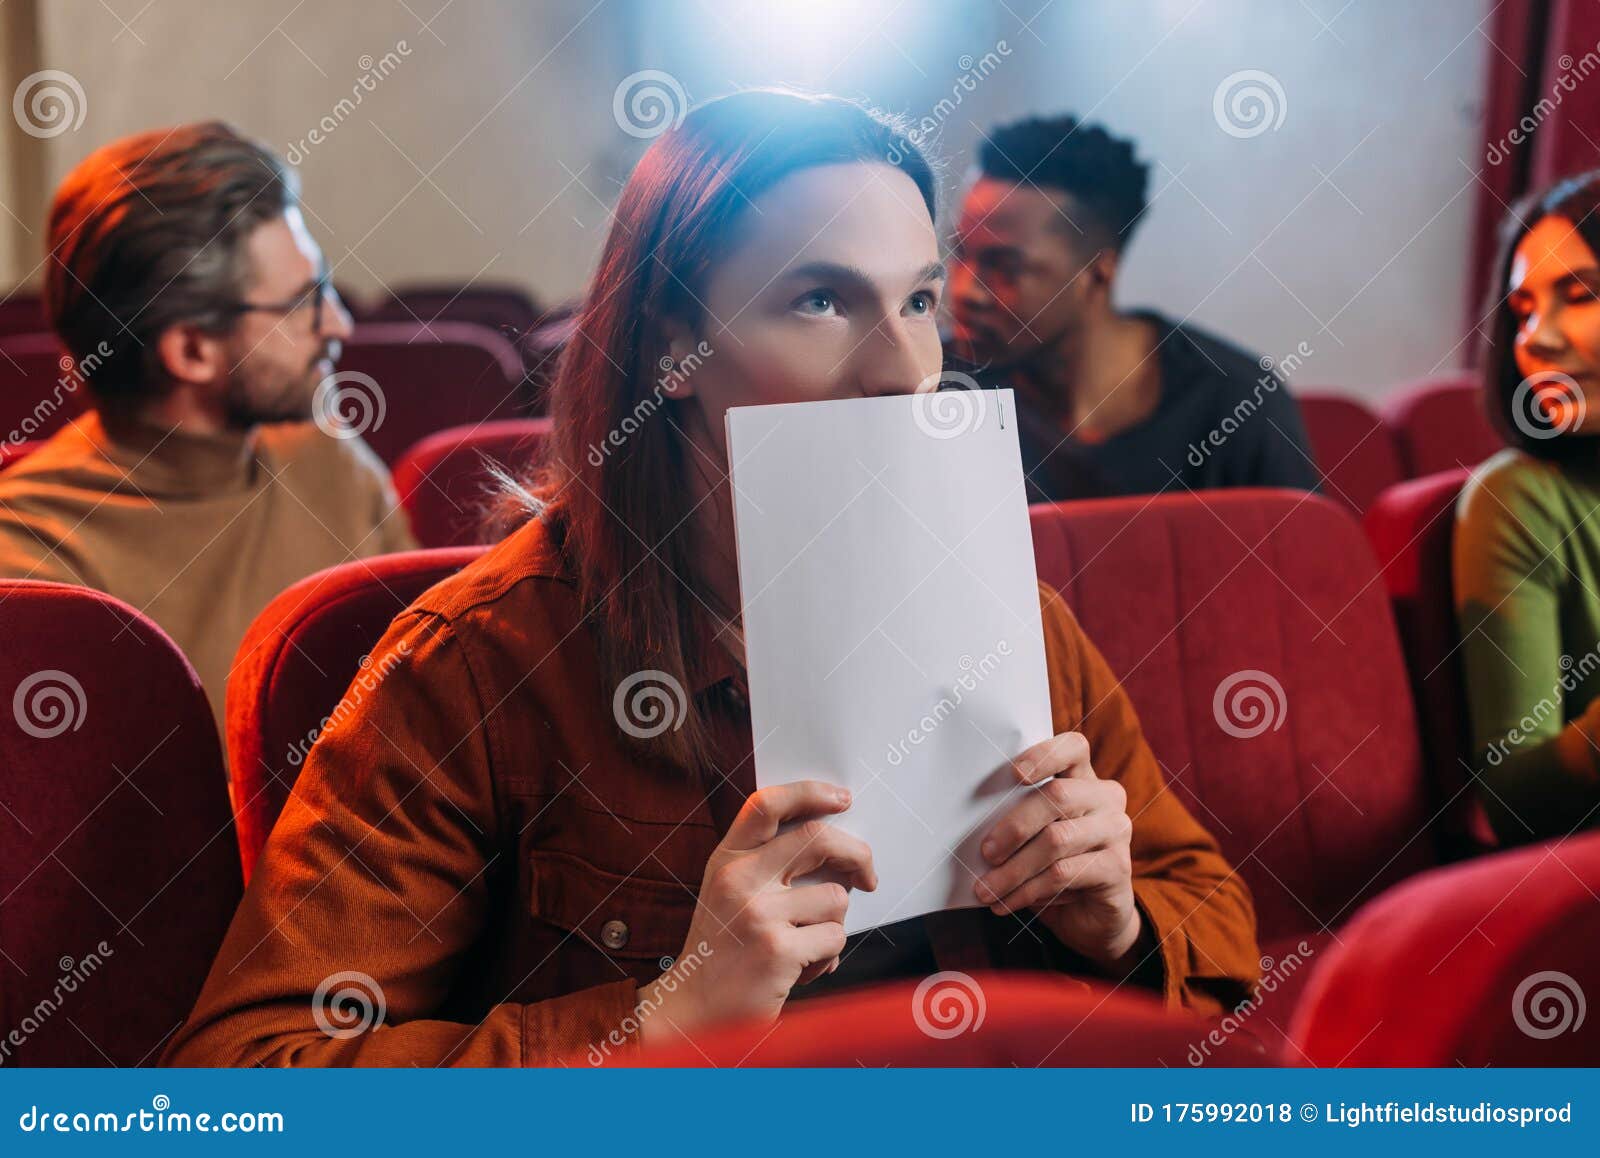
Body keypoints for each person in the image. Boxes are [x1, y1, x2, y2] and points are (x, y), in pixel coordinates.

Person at [163, 91, 1258, 1068]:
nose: (903, 369)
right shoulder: (478, 664)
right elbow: (247, 1074)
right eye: (822, 301)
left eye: (921, 302)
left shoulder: (1010, 617)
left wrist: (1118, 925)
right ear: (670, 348)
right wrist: (659, 1024)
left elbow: (1214, 921)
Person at [0, 123, 416, 731]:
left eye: (326, 285)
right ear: (192, 351)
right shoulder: (29, 560)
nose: (339, 324)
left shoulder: (329, 458)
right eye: (302, 302)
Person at [946, 113, 1319, 502]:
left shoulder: (1236, 401)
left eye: (1005, 267)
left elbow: (1296, 541)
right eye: (959, 254)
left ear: (1098, 272)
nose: (964, 290)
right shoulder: (939, 389)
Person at [1456, 171, 1600, 844]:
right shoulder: (1516, 500)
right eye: (1523, 311)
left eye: (1580, 295)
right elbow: (1513, 802)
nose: (1536, 338)